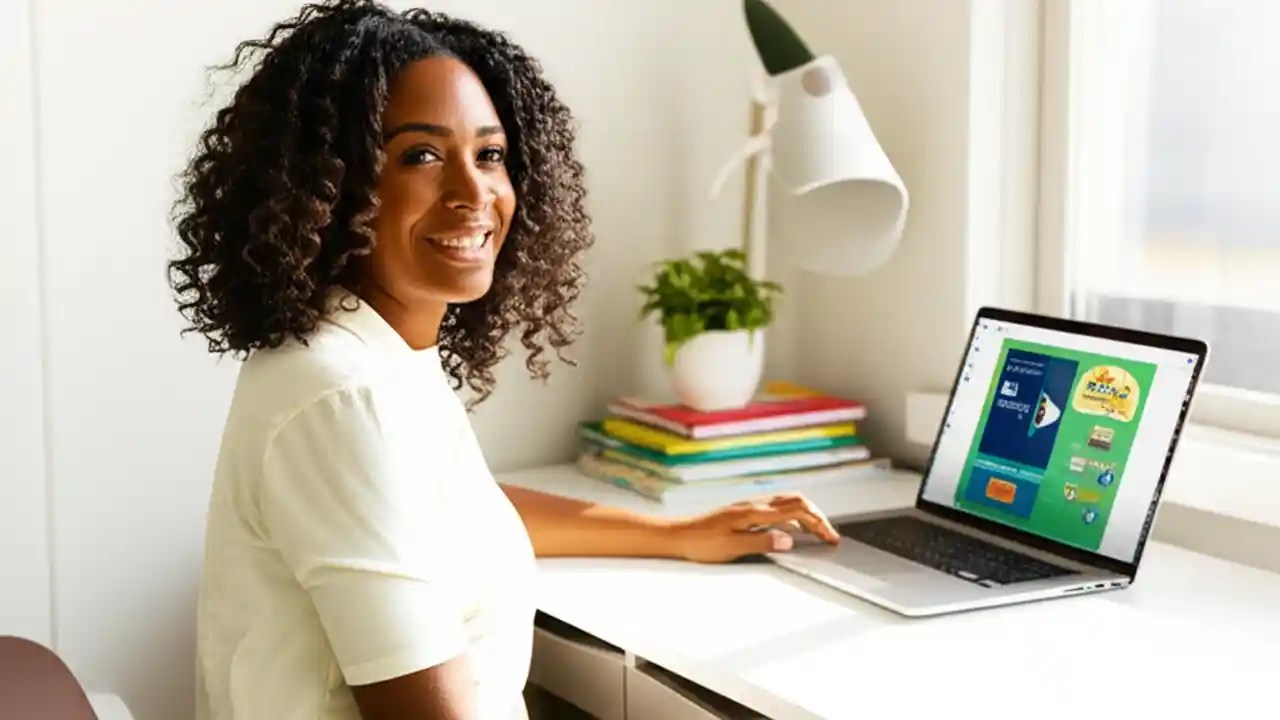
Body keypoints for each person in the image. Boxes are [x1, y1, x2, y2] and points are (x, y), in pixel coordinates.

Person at [168, 2, 840, 718]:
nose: (473, 193)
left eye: (488, 155)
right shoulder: (341, 396)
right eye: (420, 156)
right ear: (328, 187)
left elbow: (450, 517)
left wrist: (677, 534)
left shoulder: (366, 355)